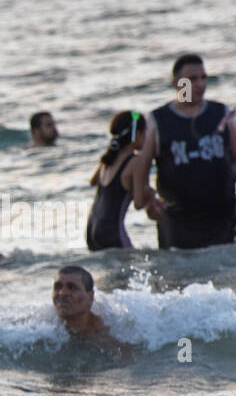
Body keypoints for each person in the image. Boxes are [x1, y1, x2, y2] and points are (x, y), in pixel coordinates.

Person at [128, 54, 236, 249]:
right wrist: (146, 201)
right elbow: (141, 165)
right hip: (178, 222)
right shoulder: (159, 120)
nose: (200, 84)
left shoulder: (220, 113)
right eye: (192, 79)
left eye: (204, 78)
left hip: (223, 216)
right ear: (177, 83)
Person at [85, 111, 144, 251]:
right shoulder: (135, 161)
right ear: (138, 134)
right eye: (146, 131)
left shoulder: (108, 160)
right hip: (112, 231)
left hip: (92, 227)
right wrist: (150, 193)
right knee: (134, 269)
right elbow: (139, 203)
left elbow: (93, 182)